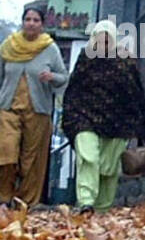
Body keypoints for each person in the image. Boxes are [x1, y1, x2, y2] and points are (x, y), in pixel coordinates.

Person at [0, 0, 67, 208]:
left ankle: (25, 201)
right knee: (5, 153)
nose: (31, 24)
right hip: (8, 109)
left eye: (36, 20)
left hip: (38, 111)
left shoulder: (49, 49)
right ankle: (4, 196)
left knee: (32, 161)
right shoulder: (9, 46)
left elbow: (63, 77)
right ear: (22, 22)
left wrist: (52, 76)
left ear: (42, 24)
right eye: (27, 19)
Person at [61, 18, 145, 214]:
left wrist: (139, 127)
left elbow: (135, 93)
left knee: (108, 168)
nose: (103, 45)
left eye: (107, 41)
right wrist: (71, 118)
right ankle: (86, 202)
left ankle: (101, 209)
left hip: (117, 122)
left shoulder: (125, 62)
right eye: (99, 40)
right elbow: (73, 91)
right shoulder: (86, 59)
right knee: (88, 157)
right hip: (85, 118)